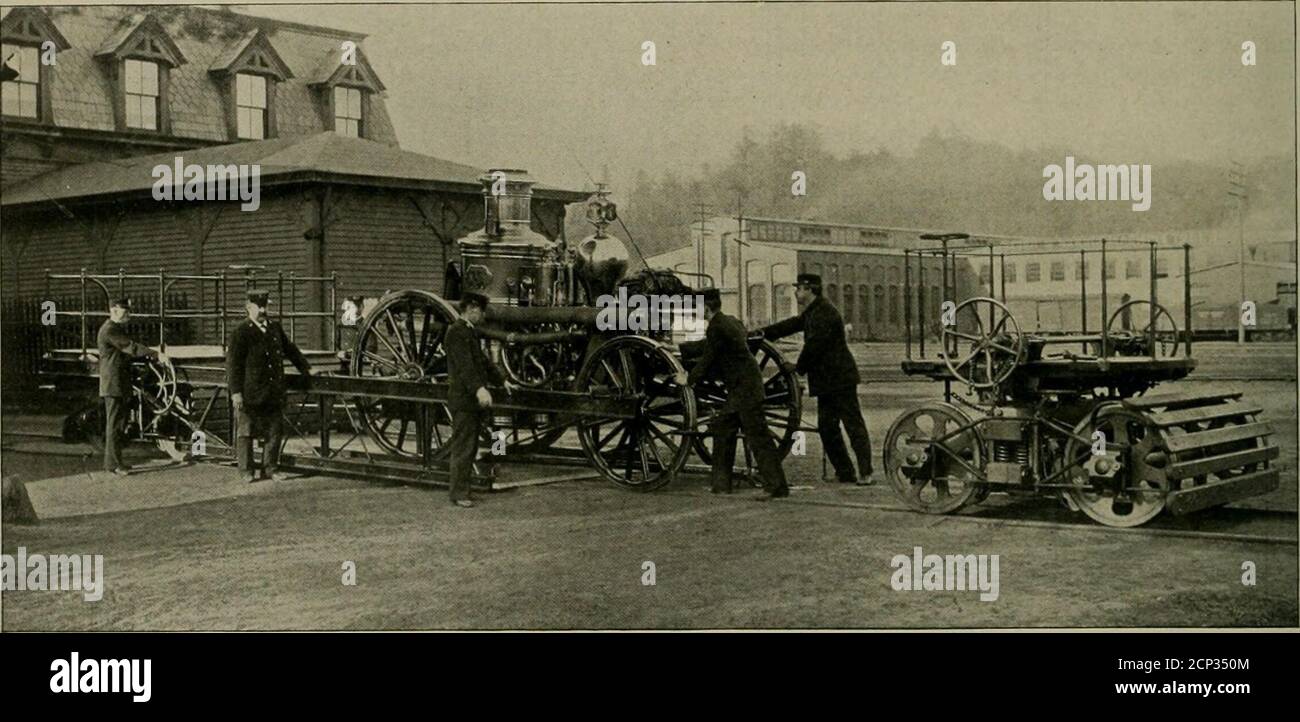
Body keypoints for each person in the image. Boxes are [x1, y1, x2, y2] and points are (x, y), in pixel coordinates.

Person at [761, 273, 876, 485]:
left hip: (839, 379)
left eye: (799, 288)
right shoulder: (814, 311)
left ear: (810, 289)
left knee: (853, 425)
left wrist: (797, 367)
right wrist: (761, 333)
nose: (796, 292)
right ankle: (845, 471)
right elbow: (792, 324)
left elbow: (814, 345)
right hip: (827, 381)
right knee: (827, 427)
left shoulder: (824, 313)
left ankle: (866, 472)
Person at [679, 288, 790, 500]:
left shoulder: (716, 327)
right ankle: (721, 485)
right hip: (746, 386)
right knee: (723, 429)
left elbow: (708, 358)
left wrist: (688, 379)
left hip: (744, 389)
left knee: (759, 438)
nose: (695, 310)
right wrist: (681, 348)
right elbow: (710, 346)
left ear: (707, 308)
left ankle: (776, 487)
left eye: (697, 306)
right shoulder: (729, 321)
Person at [226, 290, 312, 483]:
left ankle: (270, 469)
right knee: (246, 433)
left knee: (273, 432)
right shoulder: (241, 332)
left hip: (273, 391)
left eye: (265, 306)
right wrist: (236, 392)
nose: (263, 310)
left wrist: (306, 368)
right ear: (249, 307)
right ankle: (246, 471)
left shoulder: (274, 328)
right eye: (259, 307)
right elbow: (233, 365)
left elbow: (291, 350)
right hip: (250, 392)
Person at [445, 292, 513, 508]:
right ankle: (458, 493)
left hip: (470, 400)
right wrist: (479, 389)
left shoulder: (468, 332)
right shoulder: (456, 332)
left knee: (473, 445)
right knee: (464, 447)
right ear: (472, 309)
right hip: (464, 399)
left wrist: (502, 380)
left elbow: (483, 362)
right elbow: (466, 367)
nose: (483, 316)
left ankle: (467, 487)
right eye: (481, 311)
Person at [97, 298, 168, 476]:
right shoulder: (110, 330)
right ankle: (113, 465)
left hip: (119, 383)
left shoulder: (116, 329)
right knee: (114, 425)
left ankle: (115, 463)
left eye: (129, 311)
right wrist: (156, 354)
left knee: (119, 424)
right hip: (113, 384)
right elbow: (130, 347)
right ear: (113, 310)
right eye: (124, 311)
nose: (128, 314)